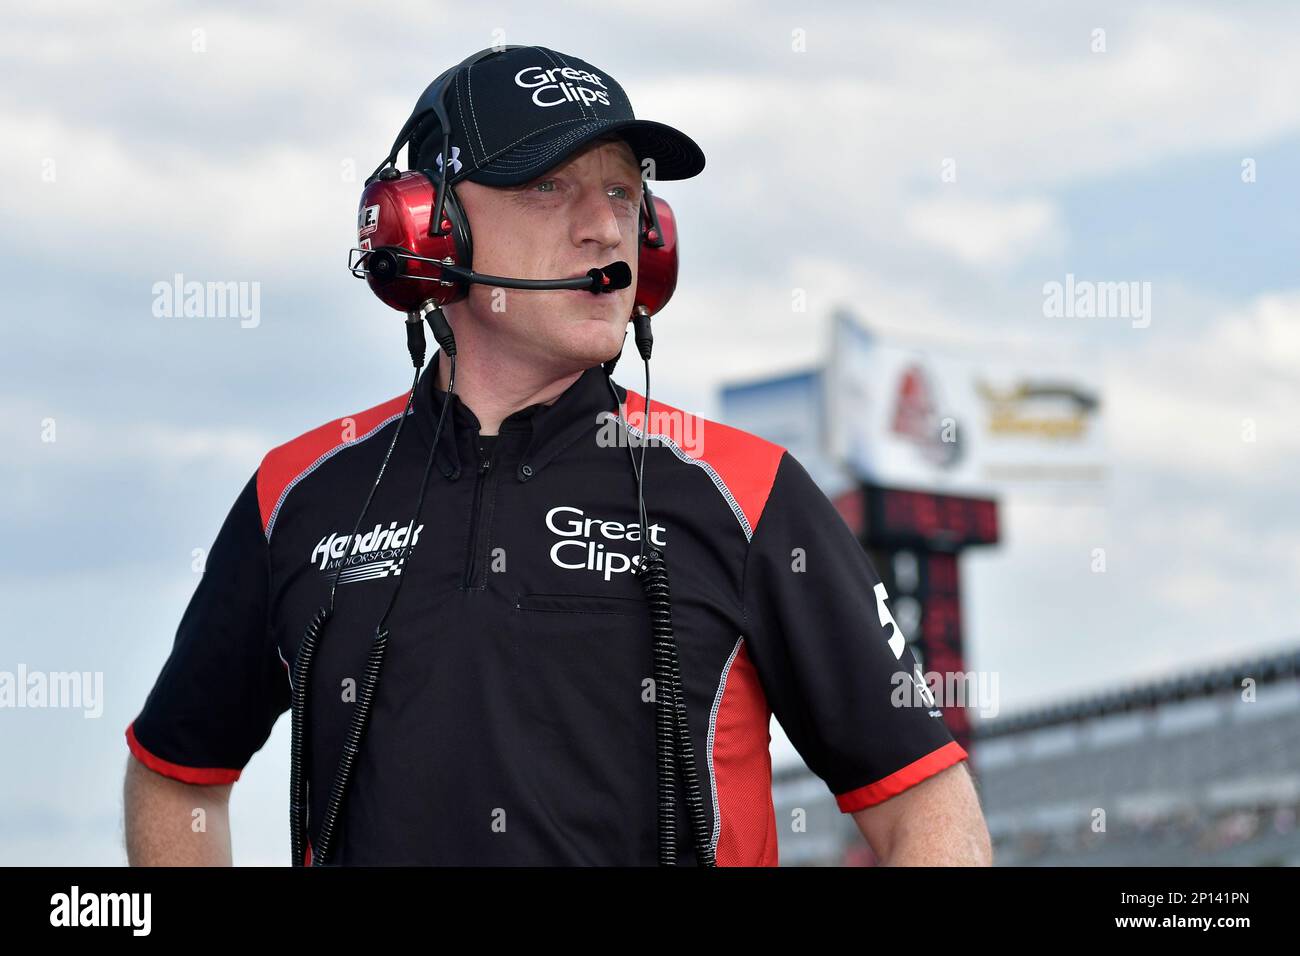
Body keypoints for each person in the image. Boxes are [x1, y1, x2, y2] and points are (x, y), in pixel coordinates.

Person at [123, 45, 991, 866]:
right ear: (427, 226)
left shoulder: (752, 494)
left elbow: (928, 809)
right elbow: (174, 774)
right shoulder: (295, 496)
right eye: (549, 185)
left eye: (623, 193)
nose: (604, 228)